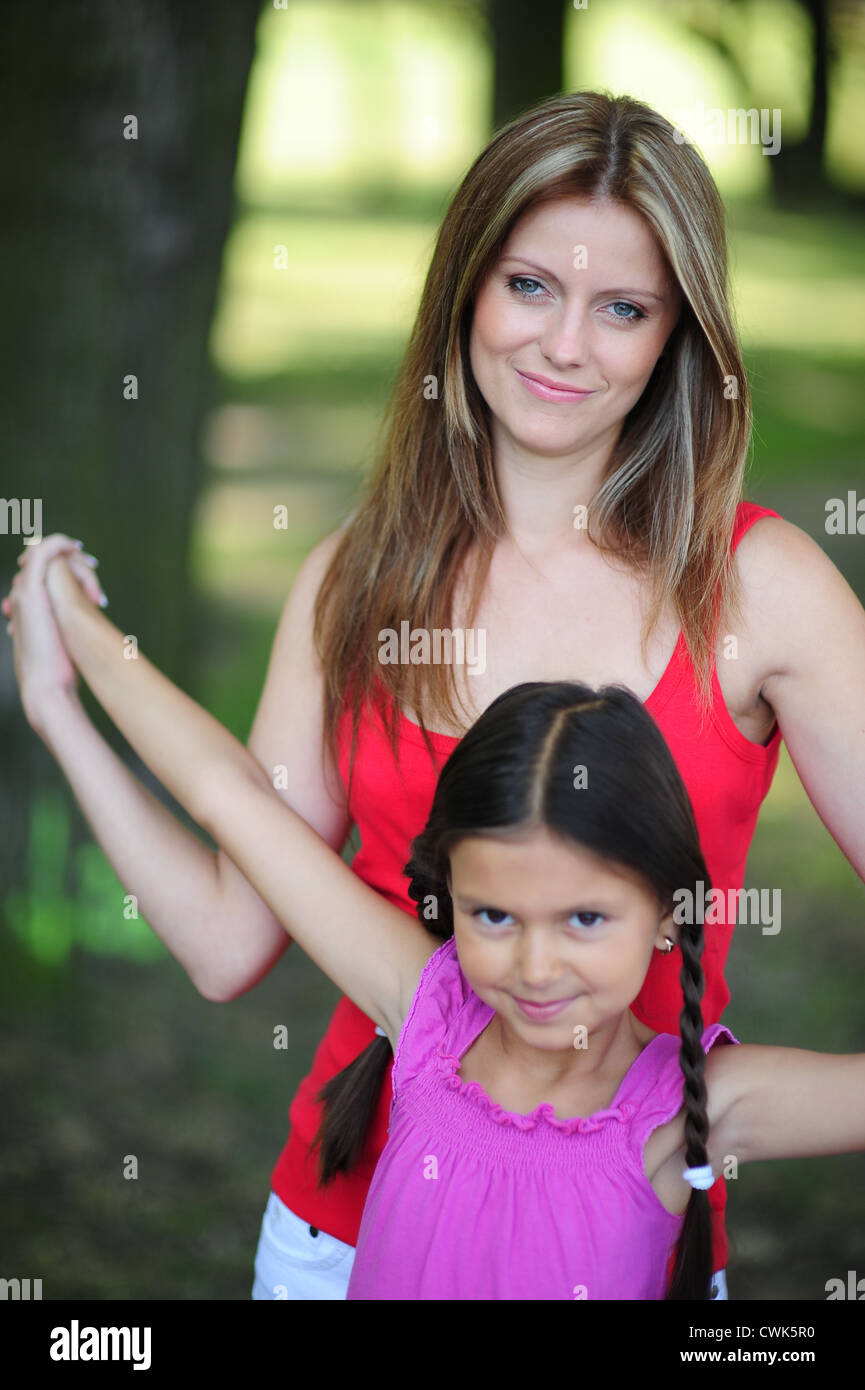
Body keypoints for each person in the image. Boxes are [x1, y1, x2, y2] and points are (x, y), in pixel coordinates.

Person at [6, 90, 865, 1299]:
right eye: (528, 286)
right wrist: (58, 700)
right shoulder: (357, 580)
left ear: (677, 340)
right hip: (340, 1236)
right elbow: (220, 936)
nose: (564, 346)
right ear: (464, 288)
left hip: (617, 1240)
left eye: (621, 309)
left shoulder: (759, 585)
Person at [8, 577, 865, 1298]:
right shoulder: (428, 1016)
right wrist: (64, 659)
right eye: (493, 916)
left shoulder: (689, 1113)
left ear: (669, 915)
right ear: (449, 897)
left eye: (585, 919)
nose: (534, 967)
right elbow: (225, 793)